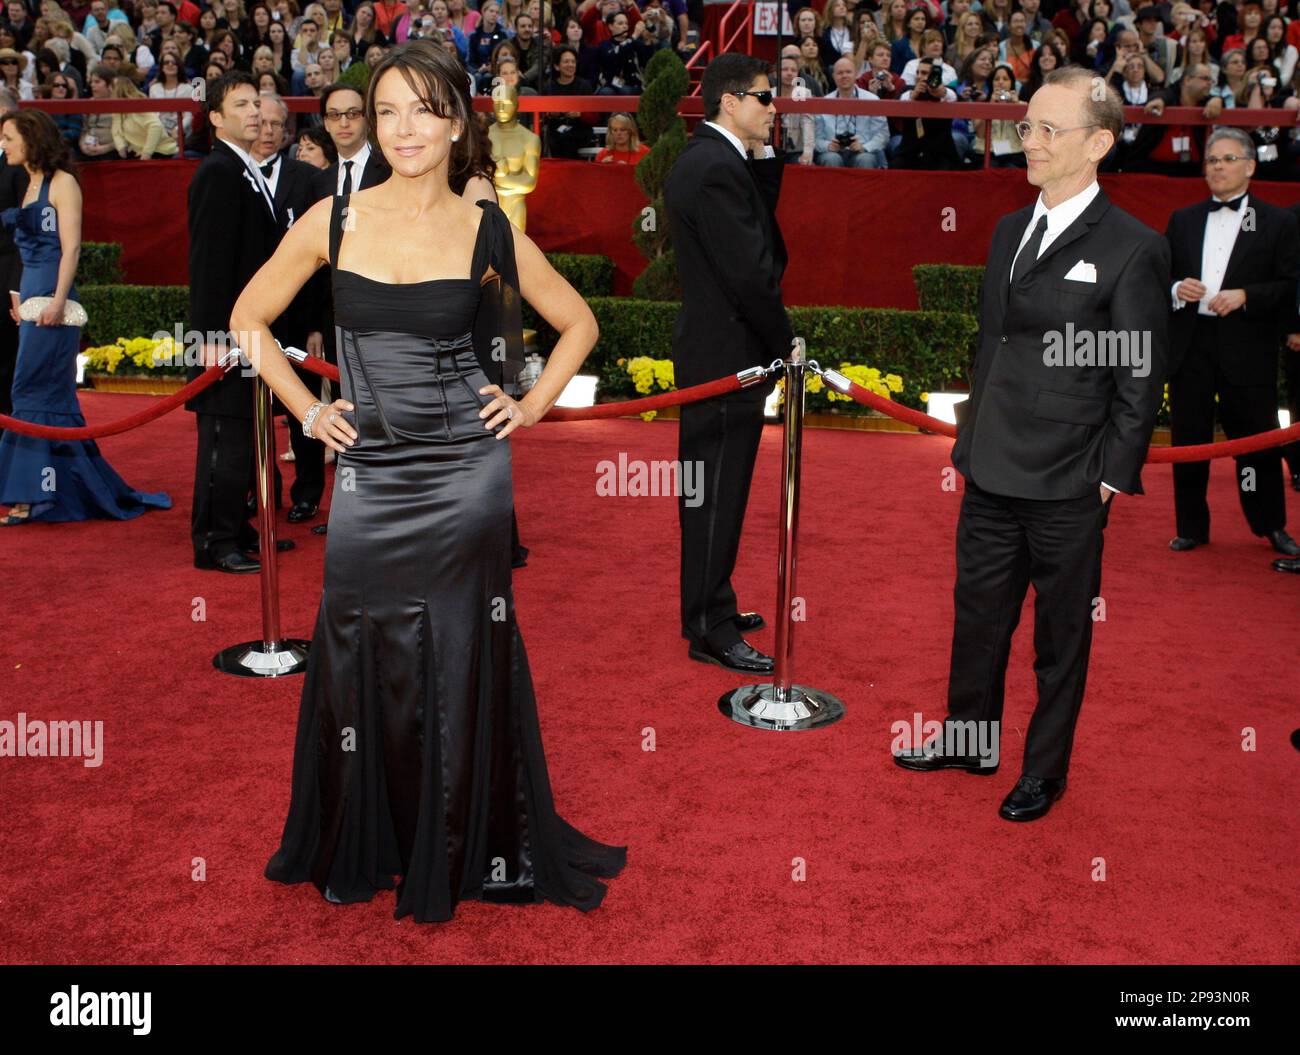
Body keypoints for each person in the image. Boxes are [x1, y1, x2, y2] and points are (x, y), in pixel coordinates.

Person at [237, 39, 625, 922]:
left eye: (421, 109)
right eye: (387, 111)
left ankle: (463, 839)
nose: (403, 128)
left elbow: (579, 323)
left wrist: (526, 408)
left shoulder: (488, 228)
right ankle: (371, 834)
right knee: (356, 644)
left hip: (465, 473)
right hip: (370, 471)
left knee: (458, 646)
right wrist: (306, 408)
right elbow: (248, 319)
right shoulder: (334, 220)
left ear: (455, 122)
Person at [895, 67, 1170, 822]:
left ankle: (1044, 771)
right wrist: (968, 441)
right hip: (989, 467)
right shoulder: (1008, 229)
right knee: (978, 617)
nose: (1031, 141)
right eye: (1026, 126)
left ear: (1099, 144)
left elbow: (1138, 376)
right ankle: (970, 737)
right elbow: (995, 344)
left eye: (1049, 129)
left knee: (1060, 639)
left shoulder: (1133, 248)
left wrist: (1111, 477)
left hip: (1068, 481)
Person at [664, 52, 792, 676]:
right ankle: (708, 627)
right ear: (730, 101)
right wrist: (785, 343)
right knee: (714, 496)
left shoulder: (722, 160)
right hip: (725, 355)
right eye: (765, 98)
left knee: (720, 491)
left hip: (722, 351)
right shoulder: (712, 167)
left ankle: (710, 602)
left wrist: (765, 154)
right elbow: (752, 273)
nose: (775, 107)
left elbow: (759, 226)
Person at [0, 109, 171, 524]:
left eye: (8, 137)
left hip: (54, 305)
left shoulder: (64, 184)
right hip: (33, 299)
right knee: (41, 396)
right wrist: (19, 294)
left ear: (30, 138)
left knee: (29, 392)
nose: (3, 145)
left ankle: (31, 497)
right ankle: (55, 492)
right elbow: (28, 251)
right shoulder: (30, 182)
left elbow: (71, 248)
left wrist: (57, 300)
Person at [1164, 127, 1300, 557]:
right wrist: (1174, 289)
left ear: (1250, 166)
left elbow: (1290, 285)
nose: (1217, 167)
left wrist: (1246, 296)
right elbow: (1157, 275)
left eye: (1226, 159)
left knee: (1256, 440)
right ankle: (1191, 526)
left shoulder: (1278, 221)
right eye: (1211, 161)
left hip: (1247, 345)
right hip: (1192, 345)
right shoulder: (1182, 219)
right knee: (1189, 440)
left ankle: (1270, 525)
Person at [185, 70, 281, 571]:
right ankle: (213, 542)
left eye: (256, 103)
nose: (253, 113)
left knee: (243, 434)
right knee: (224, 436)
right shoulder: (218, 172)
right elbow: (209, 263)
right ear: (216, 117)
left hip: (246, 334)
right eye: (240, 105)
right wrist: (209, 338)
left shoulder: (245, 169)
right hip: (222, 338)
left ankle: (236, 529)